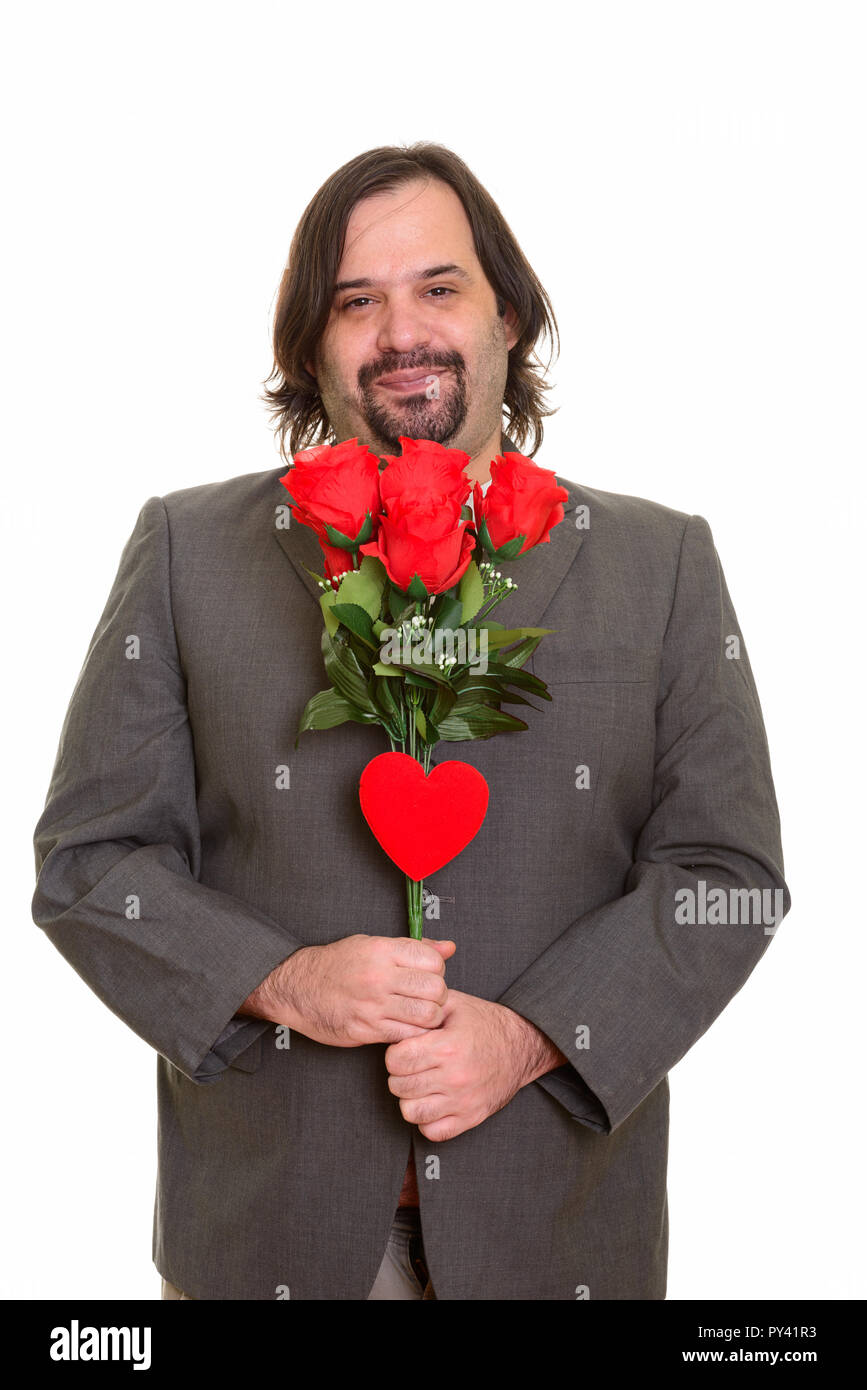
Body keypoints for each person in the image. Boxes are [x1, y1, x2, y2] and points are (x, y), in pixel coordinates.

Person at [31, 142, 790, 1300]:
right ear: (311, 345)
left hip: (560, 1241)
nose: (402, 331)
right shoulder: (188, 555)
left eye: (440, 287)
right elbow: (88, 865)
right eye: (356, 302)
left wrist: (530, 1035)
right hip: (261, 1246)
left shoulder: (663, 564)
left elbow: (724, 874)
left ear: (509, 316)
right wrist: (286, 980)